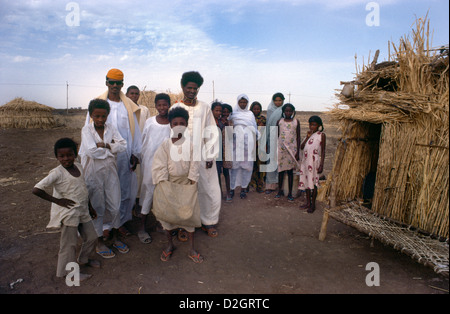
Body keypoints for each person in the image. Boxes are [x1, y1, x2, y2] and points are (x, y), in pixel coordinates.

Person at [32, 138, 99, 281]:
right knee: (69, 245)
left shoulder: (79, 166)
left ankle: (83, 260)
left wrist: (90, 207)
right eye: (61, 156)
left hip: (83, 210)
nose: (66, 159)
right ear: (56, 156)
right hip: (69, 213)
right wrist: (58, 201)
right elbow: (36, 189)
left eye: (69, 155)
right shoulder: (57, 173)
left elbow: (83, 189)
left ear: (75, 155)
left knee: (92, 237)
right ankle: (70, 273)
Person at [86, 69, 142, 237]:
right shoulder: (97, 105)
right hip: (103, 158)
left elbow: (135, 132)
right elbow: (88, 131)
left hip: (124, 156)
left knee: (124, 190)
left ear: (122, 84)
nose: (115, 85)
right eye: (112, 82)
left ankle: (122, 222)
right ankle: (105, 227)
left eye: (118, 82)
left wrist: (135, 154)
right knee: (103, 191)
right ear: (106, 82)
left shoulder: (127, 107)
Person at [170, 71, 221, 239]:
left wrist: (210, 156)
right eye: (189, 88)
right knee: (184, 191)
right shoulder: (175, 108)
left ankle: (208, 222)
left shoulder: (204, 107)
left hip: (201, 155)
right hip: (181, 157)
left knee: (208, 188)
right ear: (183, 87)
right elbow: (170, 134)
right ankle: (184, 225)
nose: (192, 91)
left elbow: (211, 132)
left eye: (195, 88)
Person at [151, 107, 203, 263]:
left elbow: (195, 164)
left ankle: (192, 248)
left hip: (186, 184)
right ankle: (169, 245)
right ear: (171, 125)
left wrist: (192, 183)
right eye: (175, 123)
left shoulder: (192, 145)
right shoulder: (165, 145)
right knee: (167, 217)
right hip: (169, 185)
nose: (179, 126)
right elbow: (159, 165)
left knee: (189, 217)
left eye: (182, 123)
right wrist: (163, 184)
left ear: (186, 125)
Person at [79, 99, 129, 258]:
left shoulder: (111, 128)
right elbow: (92, 152)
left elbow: (123, 145)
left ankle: (114, 237)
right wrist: (111, 149)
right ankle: (98, 241)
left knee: (114, 205)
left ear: (107, 115)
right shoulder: (86, 130)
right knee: (97, 207)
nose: (100, 119)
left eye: (103, 116)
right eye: (97, 116)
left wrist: (106, 146)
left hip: (110, 170)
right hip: (93, 172)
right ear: (91, 115)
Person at [138, 93, 171, 243]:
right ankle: (142, 227)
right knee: (148, 193)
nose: (162, 107)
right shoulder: (150, 122)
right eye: (160, 105)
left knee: (163, 193)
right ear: (156, 106)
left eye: (165, 105)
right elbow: (143, 141)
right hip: (150, 163)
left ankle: (160, 223)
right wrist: (140, 158)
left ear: (169, 105)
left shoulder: (173, 123)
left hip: (166, 163)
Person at [126, 85, 150, 218]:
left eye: (136, 94)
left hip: (141, 148)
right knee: (128, 177)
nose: (134, 96)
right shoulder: (124, 109)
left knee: (140, 177)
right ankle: (128, 207)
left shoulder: (144, 110)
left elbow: (147, 129)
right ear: (127, 95)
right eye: (131, 94)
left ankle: (138, 204)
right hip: (127, 149)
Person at [229, 94, 259, 199]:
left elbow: (254, 128)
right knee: (234, 167)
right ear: (238, 102)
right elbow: (230, 127)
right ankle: (232, 189)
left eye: (245, 102)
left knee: (247, 168)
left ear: (247, 103)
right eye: (241, 102)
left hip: (248, 144)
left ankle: (243, 189)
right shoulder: (233, 113)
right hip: (235, 144)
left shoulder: (250, 114)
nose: (243, 104)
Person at [299, 115, 326, 213]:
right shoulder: (309, 134)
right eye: (310, 124)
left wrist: (321, 165)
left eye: (314, 125)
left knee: (314, 184)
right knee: (306, 183)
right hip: (305, 162)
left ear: (319, 125)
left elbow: (323, 151)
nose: (312, 127)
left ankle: (313, 205)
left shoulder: (321, 135)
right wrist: (307, 137)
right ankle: (308, 203)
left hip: (314, 162)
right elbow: (301, 147)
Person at [275, 103, 300, 202]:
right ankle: (279, 190)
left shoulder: (296, 122)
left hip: (291, 150)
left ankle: (289, 193)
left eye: (290, 111)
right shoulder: (279, 122)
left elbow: (298, 137)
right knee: (281, 171)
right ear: (283, 111)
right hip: (281, 150)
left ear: (293, 111)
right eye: (286, 111)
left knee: (290, 172)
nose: (288, 113)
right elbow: (276, 136)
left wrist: (298, 151)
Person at [265, 93, 285, 194]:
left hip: (282, 138)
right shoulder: (270, 110)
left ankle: (280, 184)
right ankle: (270, 185)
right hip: (271, 137)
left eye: (280, 100)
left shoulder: (285, 110)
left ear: (283, 100)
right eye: (276, 100)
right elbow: (268, 124)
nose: (278, 102)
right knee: (271, 160)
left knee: (281, 160)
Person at [249, 101, 266, 193]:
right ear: (251, 109)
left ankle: (260, 184)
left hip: (261, 146)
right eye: (254, 109)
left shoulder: (263, 119)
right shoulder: (248, 119)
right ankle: (251, 183)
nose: (256, 110)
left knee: (261, 165)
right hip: (250, 146)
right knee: (251, 165)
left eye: (258, 109)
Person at [220, 103, 233, 202]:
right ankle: (219, 192)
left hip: (227, 149)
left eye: (227, 112)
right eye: (223, 111)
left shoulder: (231, 122)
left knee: (226, 172)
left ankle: (228, 192)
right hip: (217, 149)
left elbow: (232, 136)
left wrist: (227, 125)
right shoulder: (216, 121)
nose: (225, 113)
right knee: (216, 173)